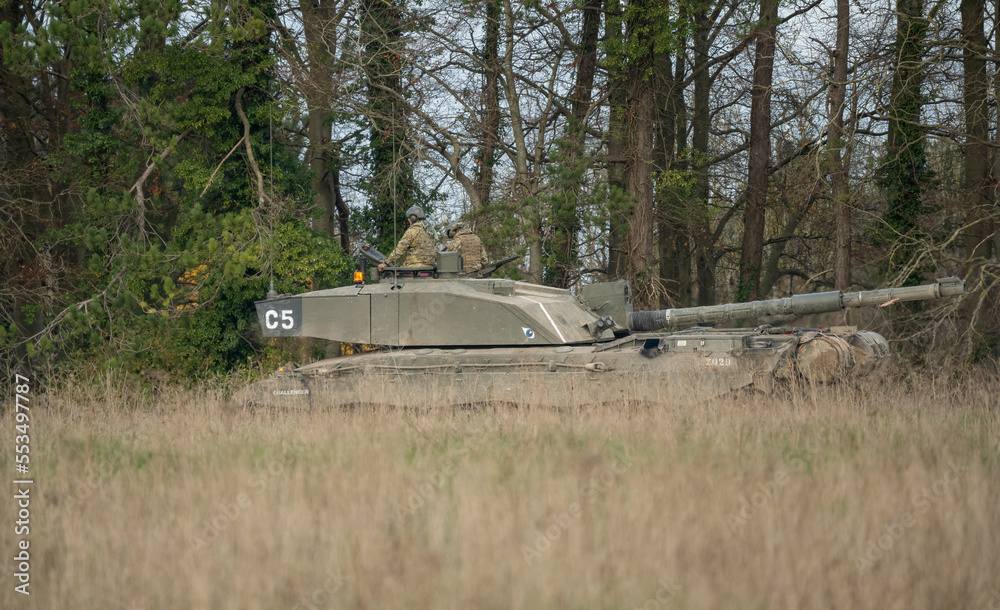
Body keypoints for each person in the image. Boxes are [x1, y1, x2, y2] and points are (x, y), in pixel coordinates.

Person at [378, 205, 436, 271]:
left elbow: (399, 250)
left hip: (413, 267)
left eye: (409, 217)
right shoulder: (431, 232)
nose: (408, 220)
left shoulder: (412, 231)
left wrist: (386, 263)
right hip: (430, 268)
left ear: (413, 218)